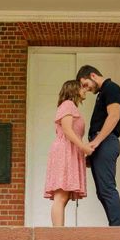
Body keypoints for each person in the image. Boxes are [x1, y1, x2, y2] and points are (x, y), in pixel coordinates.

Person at [77, 64, 120, 227]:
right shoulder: (103, 93)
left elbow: (114, 117)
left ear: (93, 76)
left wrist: (96, 142)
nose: (86, 89)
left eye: (85, 84)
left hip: (106, 142)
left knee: (108, 189)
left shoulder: (111, 88)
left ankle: (117, 231)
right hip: (100, 145)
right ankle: (115, 227)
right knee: (102, 192)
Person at [44, 79, 93, 227]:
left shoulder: (71, 107)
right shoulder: (68, 105)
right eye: (82, 88)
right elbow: (67, 130)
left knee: (63, 196)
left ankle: (58, 232)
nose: (85, 90)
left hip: (69, 151)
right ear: (73, 90)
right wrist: (84, 147)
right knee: (61, 195)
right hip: (64, 151)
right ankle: (58, 235)